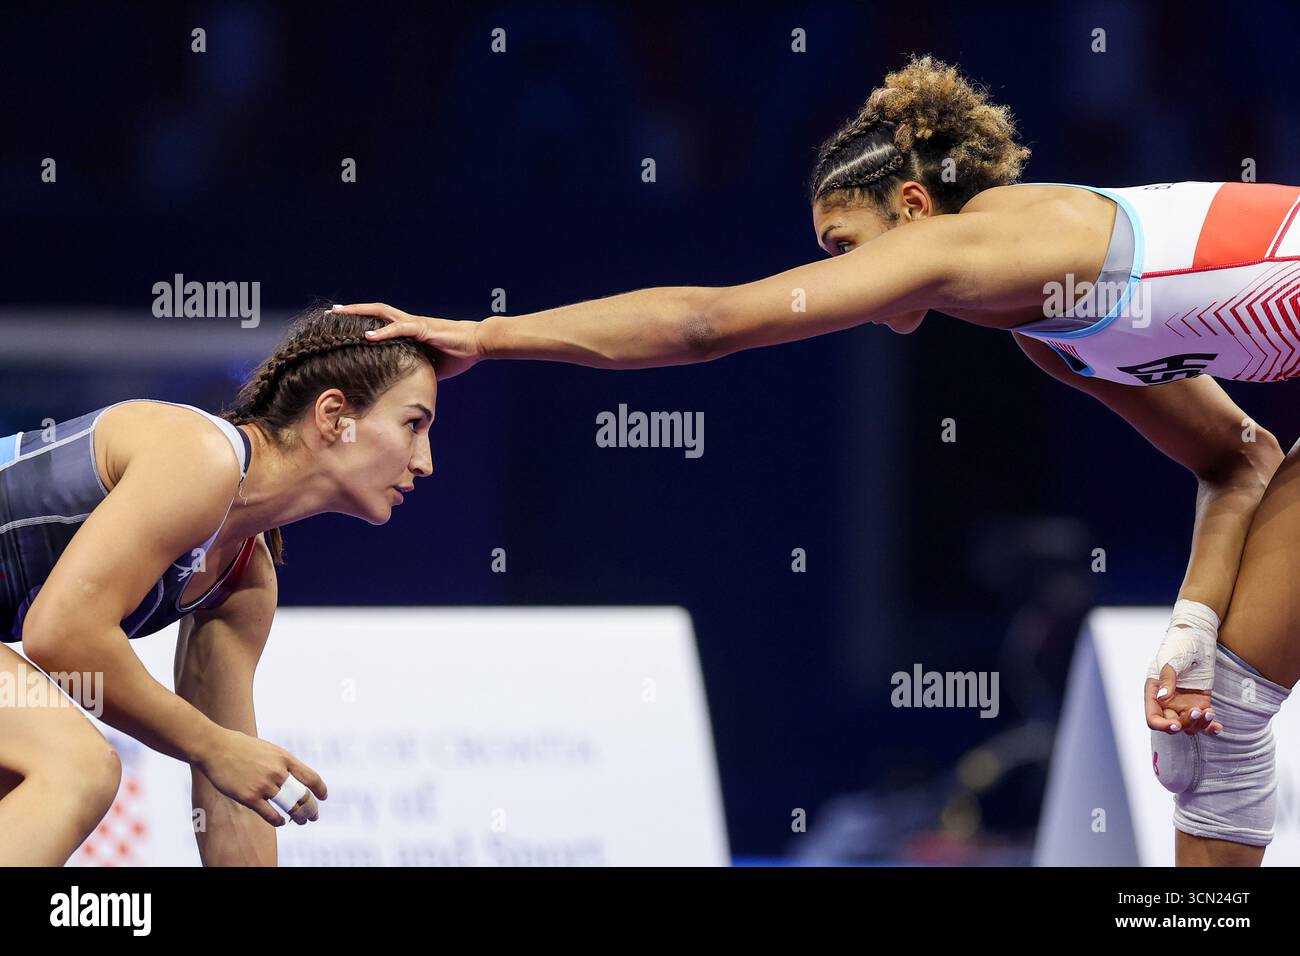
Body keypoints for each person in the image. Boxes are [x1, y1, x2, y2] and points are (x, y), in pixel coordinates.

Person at [333, 53, 1300, 864]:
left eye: (844, 247)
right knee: (1218, 726)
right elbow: (1239, 456)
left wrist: (488, 337)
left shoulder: (980, 246)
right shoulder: (1047, 330)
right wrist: (1194, 624)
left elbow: (707, 323)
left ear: (915, 207)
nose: (841, 278)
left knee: (1232, 716)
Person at [0, 307, 436, 865]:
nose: (425, 462)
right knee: (72, 767)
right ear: (333, 416)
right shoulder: (201, 455)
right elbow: (61, 634)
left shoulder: (244, 582)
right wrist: (215, 746)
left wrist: (222, 753)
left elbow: (234, 791)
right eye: (413, 424)